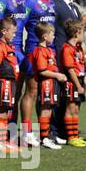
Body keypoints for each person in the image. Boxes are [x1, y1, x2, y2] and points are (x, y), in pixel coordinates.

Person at [21, 0, 58, 148]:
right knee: (32, 91)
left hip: (49, 53)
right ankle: (26, 133)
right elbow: (20, 24)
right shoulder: (30, 1)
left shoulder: (50, 2)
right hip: (33, 53)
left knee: (45, 95)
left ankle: (44, 135)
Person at [28, 22, 67, 150]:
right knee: (45, 109)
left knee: (49, 109)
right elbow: (42, 70)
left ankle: (46, 136)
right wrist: (57, 75)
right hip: (46, 83)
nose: (54, 37)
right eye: (52, 34)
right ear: (45, 36)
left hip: (52, 83)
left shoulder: (49, 50)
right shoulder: (39, 50)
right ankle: (44, 138)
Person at [0, 17, 21, 152]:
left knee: (7, 113)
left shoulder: (8, 46)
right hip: (3, 83)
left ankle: (4, 140)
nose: (14, 35)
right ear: (3, 31)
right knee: (1, 112)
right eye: (13, 32)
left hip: (10, 83)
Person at [59, 19, 86, 148]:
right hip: (72, 82)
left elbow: (82, 65)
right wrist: (78, 85)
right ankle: (71, 137)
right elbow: (70, 69)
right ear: (76, 33)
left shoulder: (78, 48)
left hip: (80, 81)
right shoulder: (67, 48)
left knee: (77, 109)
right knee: (70, 108)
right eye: (82, 32)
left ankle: (75, 135)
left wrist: (84, 80)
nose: (83, 35)